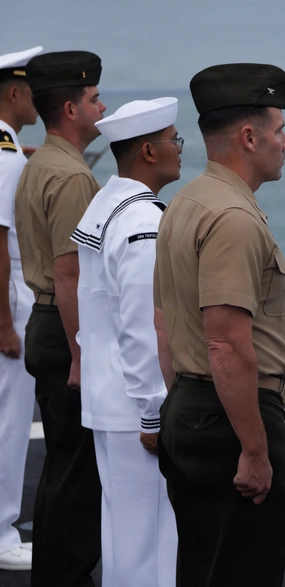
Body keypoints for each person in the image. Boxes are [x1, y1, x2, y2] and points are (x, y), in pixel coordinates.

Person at [154, 63, 285, 587]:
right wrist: (255, 450)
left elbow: (163, 319)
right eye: (279, 130)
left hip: (195, 407)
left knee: (203, 569)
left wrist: (181, 405)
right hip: (232, 415)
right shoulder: (232, 218)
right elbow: (227, 343)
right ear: (249, 136)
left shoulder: (185, 203)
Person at [71, 97, 183, 587]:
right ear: (149, 152)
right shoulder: (142, 221)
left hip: (109, 397)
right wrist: (154, 413)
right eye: (173, 141)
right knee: (150, 546)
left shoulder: (107, 202)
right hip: (134, 406)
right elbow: (141, 326)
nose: (181, 149)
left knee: (124, 539)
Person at [15, 50, 106, 586]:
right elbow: (71, 277)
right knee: (78, 476)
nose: (102, 106)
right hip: (64, 327)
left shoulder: (40, 163)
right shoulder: (71, 178)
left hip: (46, 323)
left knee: (62, 468)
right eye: (94, 98)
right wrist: (82, 354)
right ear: (70, 109)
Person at [0, 44, 43, 573]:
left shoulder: (10, 150)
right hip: (10, 301)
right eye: (34, 89)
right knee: (9, 422)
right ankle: (2, 532)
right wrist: (5, 325)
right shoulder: (4, 155)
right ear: (13, 92)